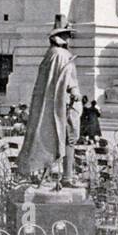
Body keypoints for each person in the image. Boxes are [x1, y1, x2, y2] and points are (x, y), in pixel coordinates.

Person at [15, 27, 81, 181]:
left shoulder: (51, 54)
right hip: (63, 105)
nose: (69, 38)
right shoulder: (60, 54)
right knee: (68, 138)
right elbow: (65, 78)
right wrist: (74, 92)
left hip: (56, 103)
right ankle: (67, 177)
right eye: (66, 35)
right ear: (58, 38)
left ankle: (57, 175)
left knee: (63, 138)